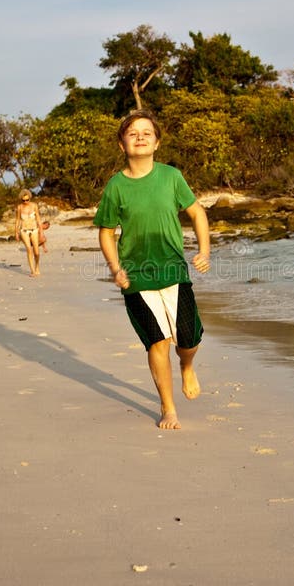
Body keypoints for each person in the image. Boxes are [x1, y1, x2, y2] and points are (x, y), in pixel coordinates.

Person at [94, 111, 211, 430]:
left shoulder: (171, 177)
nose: (141, 136)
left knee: (188, 339)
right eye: (133, 133)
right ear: (122, 145)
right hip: (136, 276)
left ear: (157, 142)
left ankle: (187, 366)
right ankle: (168, 407)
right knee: (157, 341)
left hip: (174, 270)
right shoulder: (115, 186)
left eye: (147, 132)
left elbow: (197, 213)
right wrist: (114, 268)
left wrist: (204, 250)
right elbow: (105, 231)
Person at [15, 189, 42, 276]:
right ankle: (32, 271)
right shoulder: (19, 207)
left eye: (27, 200)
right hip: (24, 230)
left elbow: (38, 218)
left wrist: (41, 231)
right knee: (28, 249)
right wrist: (16, 232)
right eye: (23, 200)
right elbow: (18, 220)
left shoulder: (34, 205)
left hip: (34, 229)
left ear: (30, 198)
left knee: (36, 252)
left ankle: (37, 266)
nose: (25, 202)